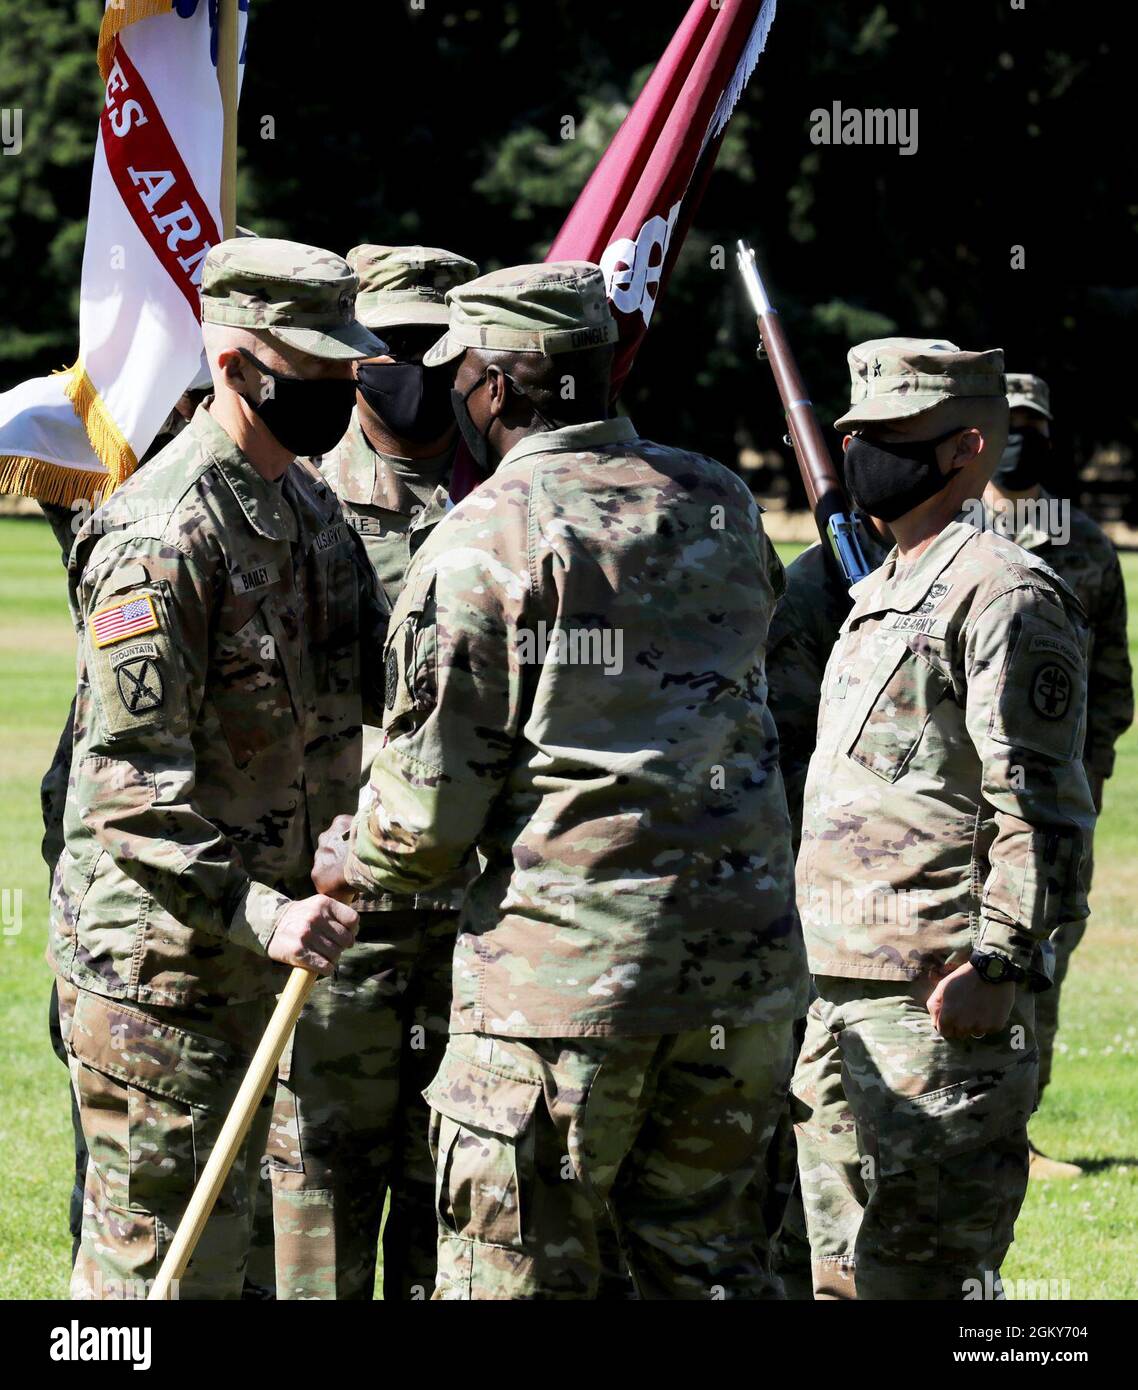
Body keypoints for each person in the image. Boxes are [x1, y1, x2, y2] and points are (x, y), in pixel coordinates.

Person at [313, 261, 808, 1299]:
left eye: (459, 370)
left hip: (561, 1001)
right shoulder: (718, 499)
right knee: (712, 1272)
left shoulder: (486, 538)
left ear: (492, 386)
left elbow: (427, 821)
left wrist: (351, 850)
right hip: (742, 980)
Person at [49, 237, 387, 1299]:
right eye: (314, 369)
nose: (339, 390)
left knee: (238, 1269)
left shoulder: (309, 512)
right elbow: (124, 789)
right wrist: (261, 911)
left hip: (257, 965)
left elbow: (369, 688)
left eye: (344, 367)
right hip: (161, 976)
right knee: (156, 1276)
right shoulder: (162, 535)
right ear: (236, 367)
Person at [793, 338, 1096, 1300]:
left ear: (966, 447)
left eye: (892, 434)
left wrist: (1001, 964)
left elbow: (1039, 800)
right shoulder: (881, 586)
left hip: (938, 993)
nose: (863, 452)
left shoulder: (1003, 591)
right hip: (839, 985)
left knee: (928, 1277)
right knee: (836, 1276)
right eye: (856, 434)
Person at [260, 243, 480, 1301]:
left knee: (462, 1223)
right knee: (318, 1220)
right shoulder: (297, 499)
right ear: (353, 354)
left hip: (481, 930)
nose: (417, 368)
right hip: (339, 923)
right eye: (395, 344)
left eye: (439, 346)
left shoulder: (515, 495)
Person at [981, 372, 1134, 1179]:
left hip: (1054, 805)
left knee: (1041, 964)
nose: (1017, 442)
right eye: (1004, 426)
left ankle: (1017, 1136)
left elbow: (1112, 688)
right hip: (959, 798)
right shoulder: (944, 532)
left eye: (1030, 429)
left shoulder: (1087, 547)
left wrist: (1087, 783)